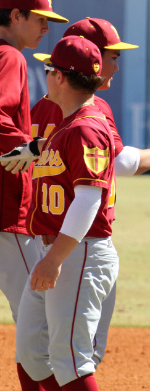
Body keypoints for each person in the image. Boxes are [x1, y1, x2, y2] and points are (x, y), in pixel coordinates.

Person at [17, 17, 150, 373]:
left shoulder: (67, 114)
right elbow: (120, 165)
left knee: (64, 358)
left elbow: (91, 190)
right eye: (111, 56)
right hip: (63, 243)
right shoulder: (79, 113)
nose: (113, 65)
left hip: (75, 243)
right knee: (50, 356)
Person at [12, 35, 114, 391]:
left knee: (71, 359)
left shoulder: (86, 127)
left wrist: (54, 258)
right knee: (31, 354)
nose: (45, 75)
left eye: (49, 69)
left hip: (76, 252)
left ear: (60, 76)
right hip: (56, 250)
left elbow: (88, 200)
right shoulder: (66, 126)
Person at [0, 0, 67, 389]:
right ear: (15, 15)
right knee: (36, 322)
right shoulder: (9, 56)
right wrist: (30, 147)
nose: (46, 28)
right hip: (7, 213)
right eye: (40, 19)